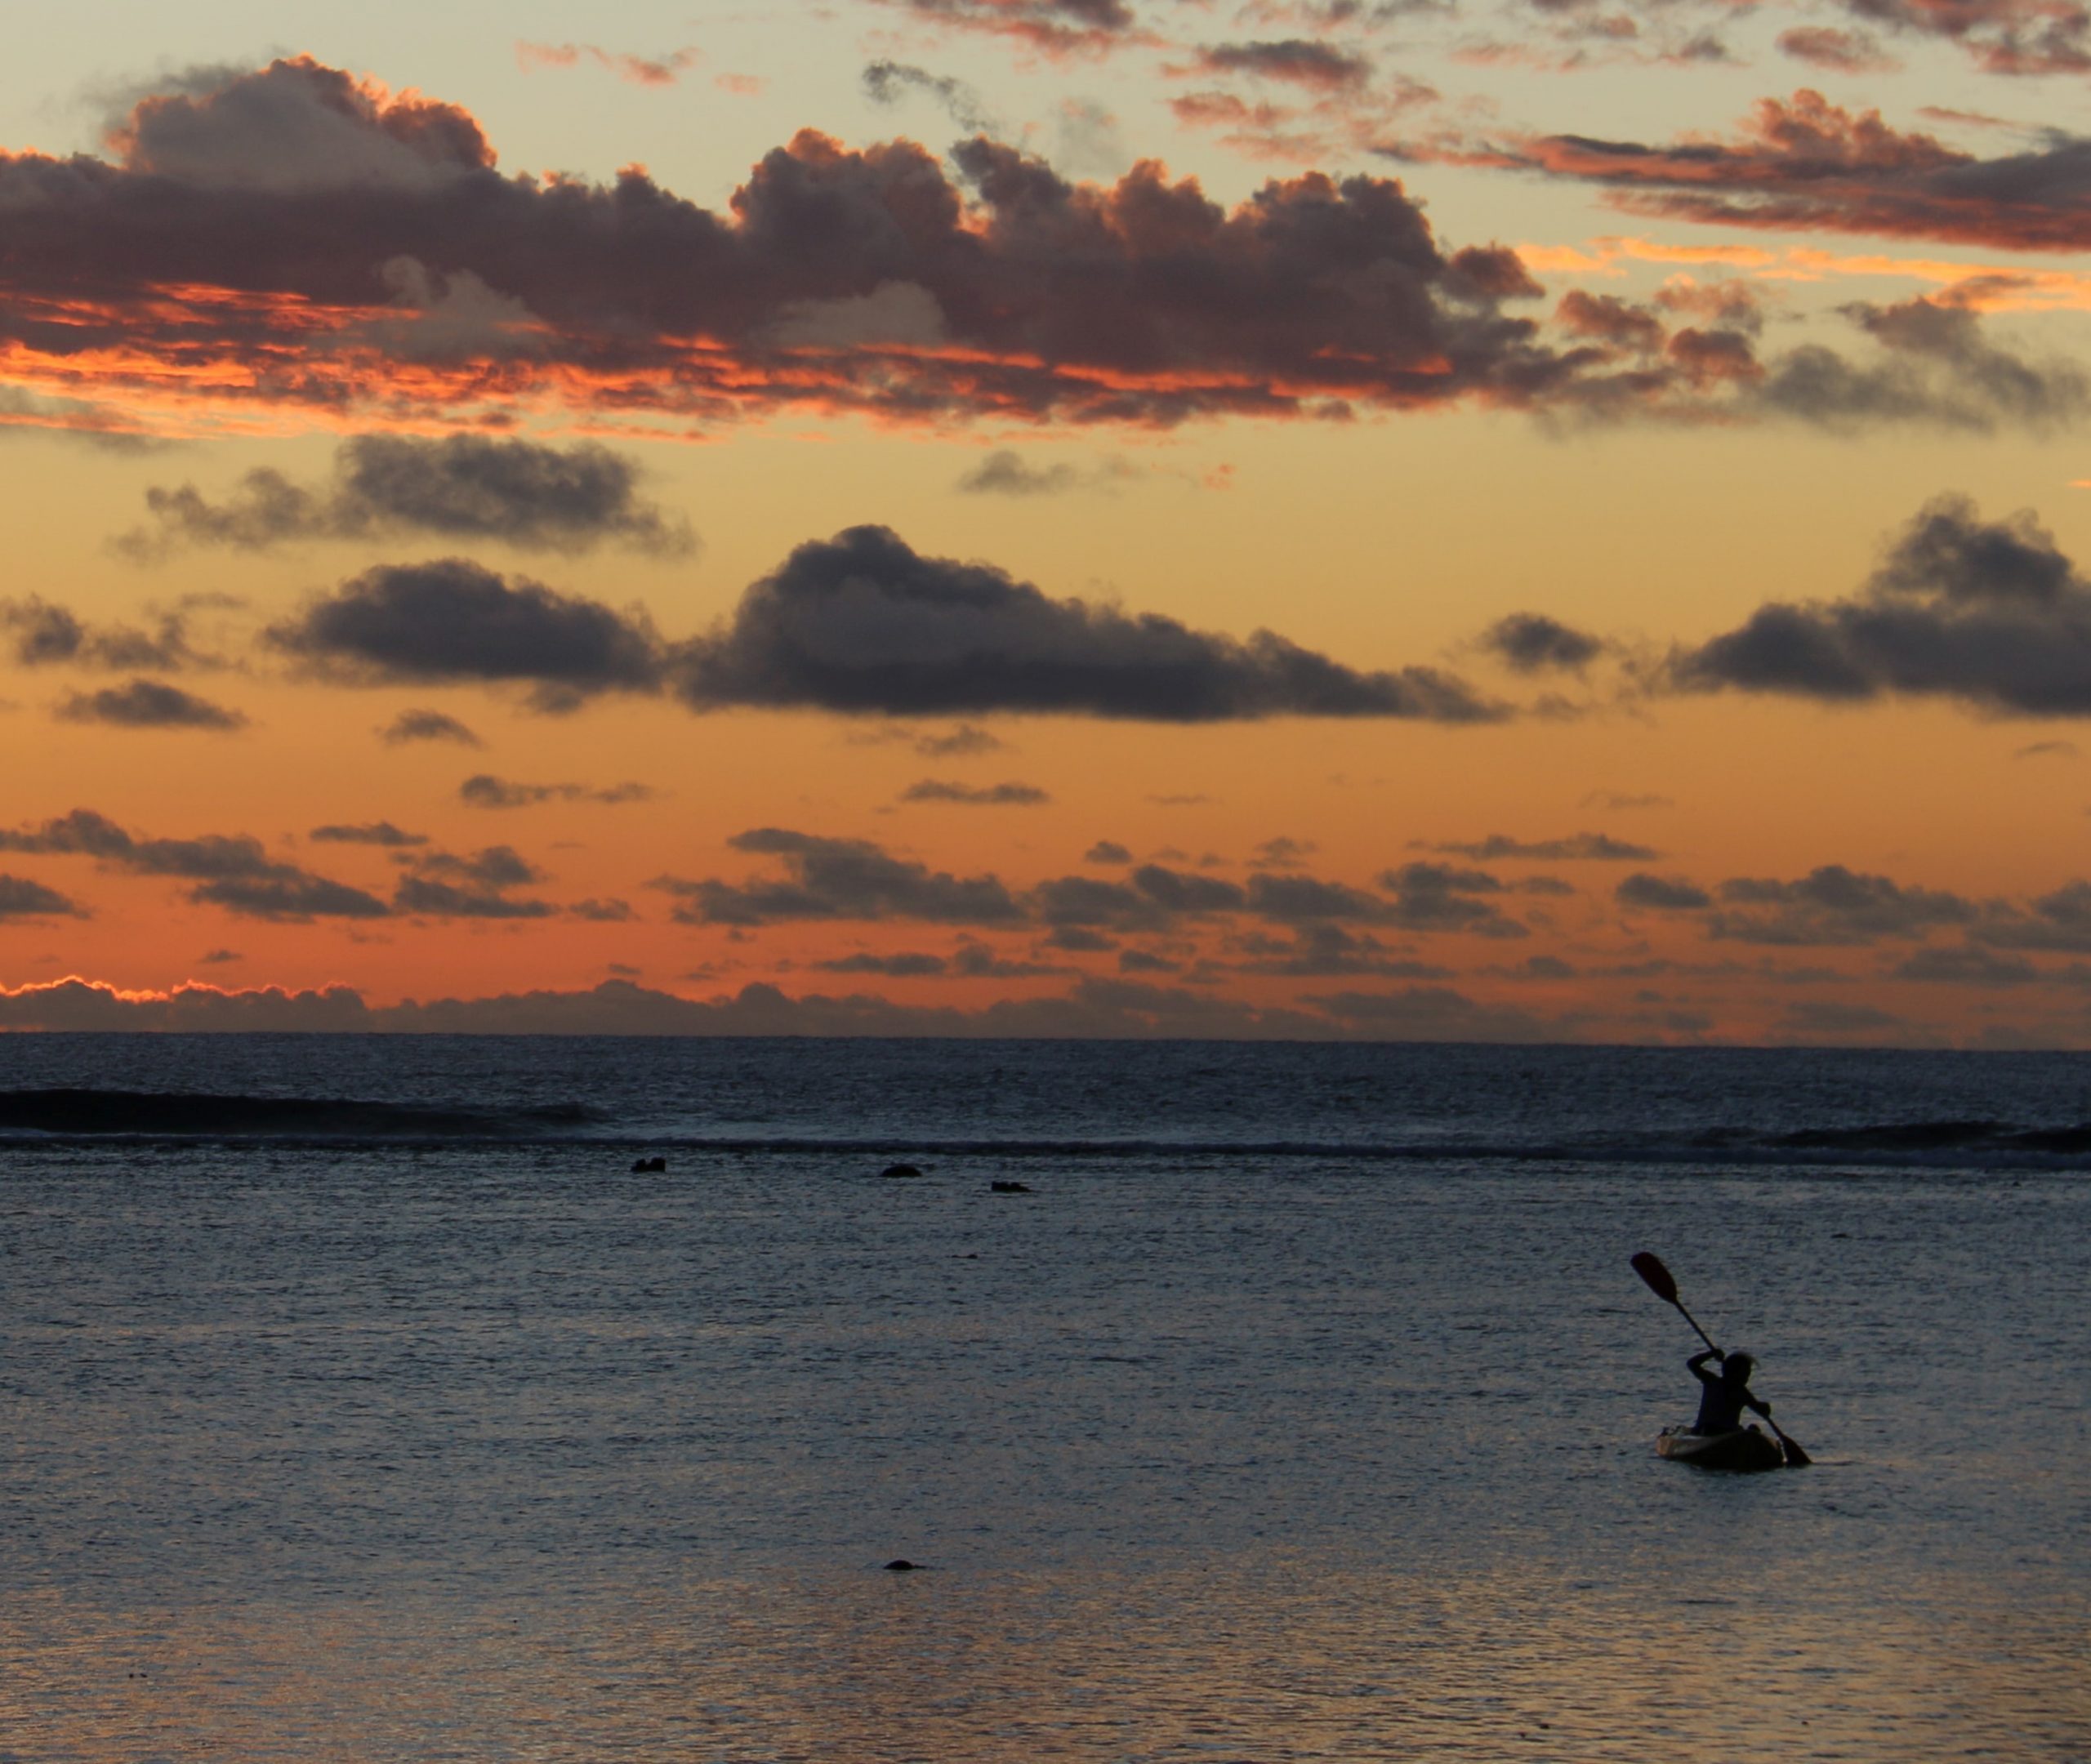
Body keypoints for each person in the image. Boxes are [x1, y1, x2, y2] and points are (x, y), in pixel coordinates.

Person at [1688, 1349, 1772, 1435]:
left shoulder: (1711, 1381)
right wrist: (1766, 1407)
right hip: (1720, 1432)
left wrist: (1712, 1354)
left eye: (1747, 1374)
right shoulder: (1740, 1392)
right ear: (1732, 1372)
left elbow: (1692, 1364)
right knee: (1753, 1429)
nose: (1746, 1378)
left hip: (1705, 1430)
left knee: (1751, 1429)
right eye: (1745, 1374)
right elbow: (1762, 1411)